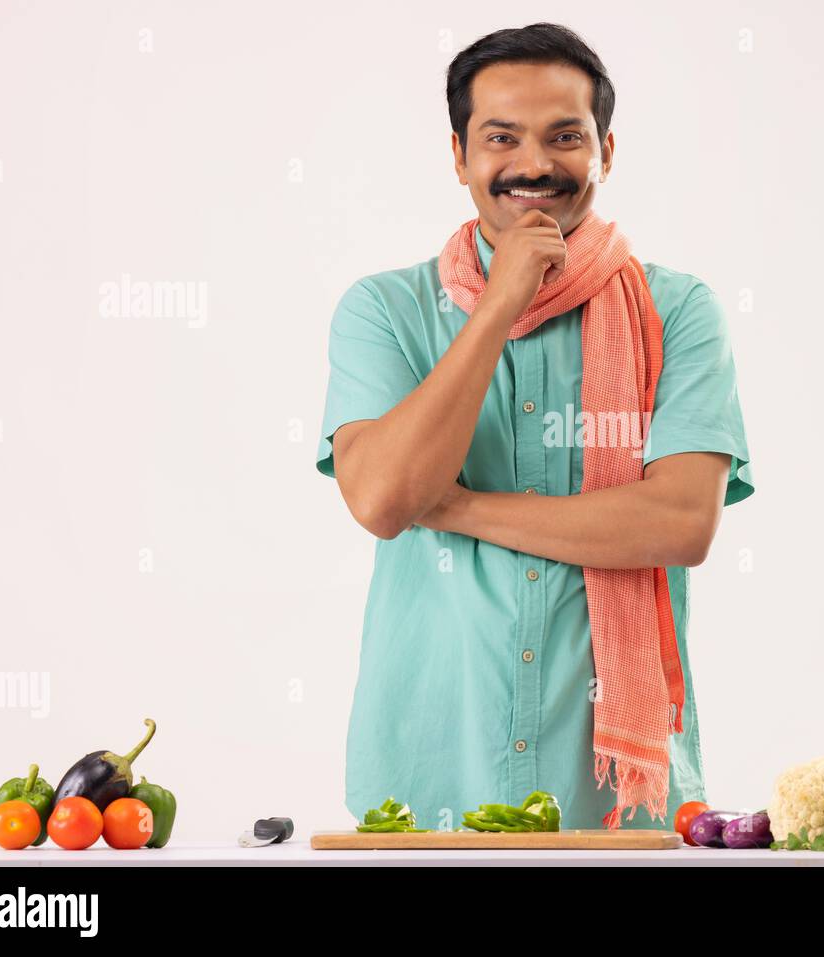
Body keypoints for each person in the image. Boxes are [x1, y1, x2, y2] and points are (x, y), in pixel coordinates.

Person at [315, 22, 755, 831]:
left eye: (564, 137)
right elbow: (382, 498)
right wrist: (499, 305)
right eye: (500, 138)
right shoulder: (384, 312)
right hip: (426, 778)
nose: (534, 164)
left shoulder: (679, 312)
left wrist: (454, 506)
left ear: (606, 151)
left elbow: (680, 521)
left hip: (620, 801)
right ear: (459, 157)